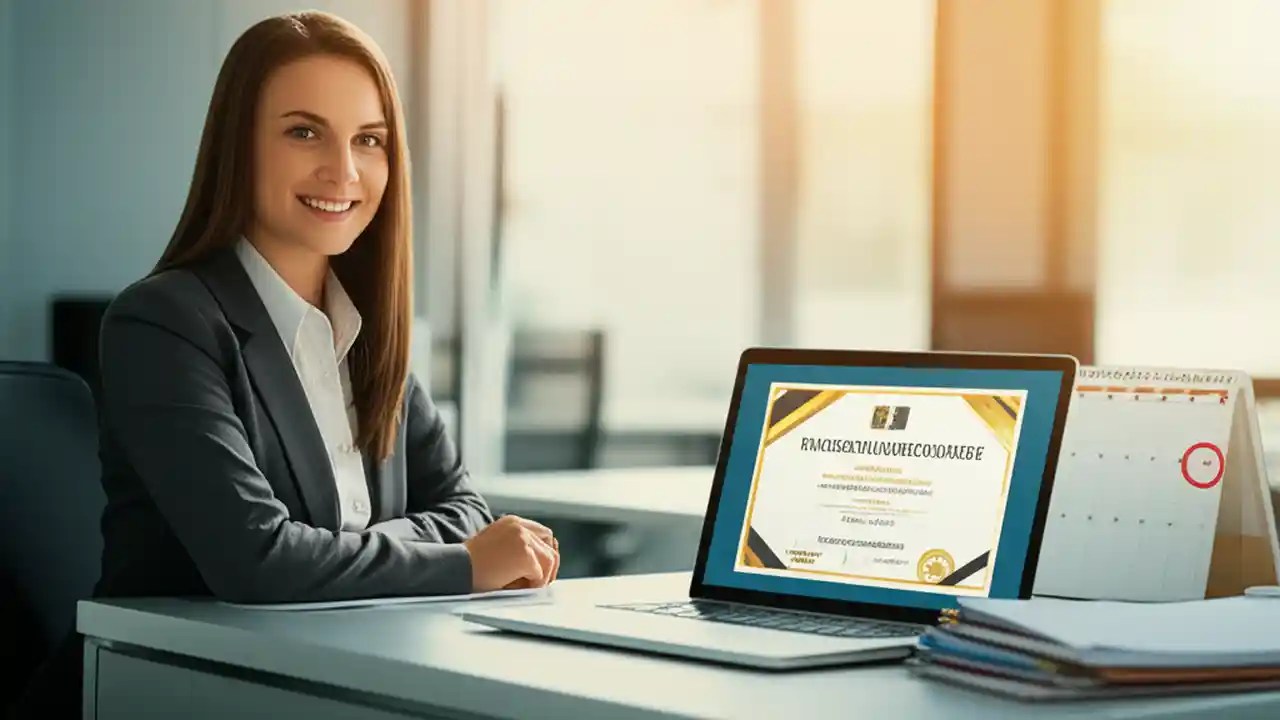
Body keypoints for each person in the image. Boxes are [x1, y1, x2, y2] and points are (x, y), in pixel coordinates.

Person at [12, 11, 558, 717]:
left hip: (348, 672)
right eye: (304, 132)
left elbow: (463, 507)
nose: (344, 170)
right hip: (169, 689)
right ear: (239, 147)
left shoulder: (363, 330)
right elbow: (258, 560)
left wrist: (344, 551)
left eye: (369, 140)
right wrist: (460, 563)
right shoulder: (164, 321)